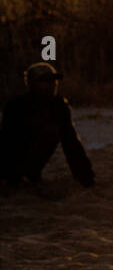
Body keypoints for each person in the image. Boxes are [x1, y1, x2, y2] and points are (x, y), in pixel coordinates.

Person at [0, 62, 95, 194]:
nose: (52, 84)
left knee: (52, 131)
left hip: (31, 163)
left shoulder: (59, 106)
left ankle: (29, 174)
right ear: (32, 83)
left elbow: (71, 144)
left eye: (53, 80)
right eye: (45, 81)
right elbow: (7, 142)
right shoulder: (16, 107)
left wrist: (86, 177)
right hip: (11, 162)